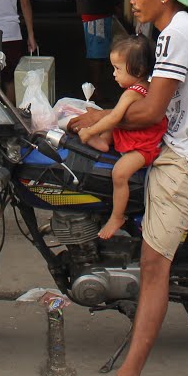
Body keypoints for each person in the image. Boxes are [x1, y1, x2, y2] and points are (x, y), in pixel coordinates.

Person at [69, 0, 188, 376]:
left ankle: (130, 372)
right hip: (183, 141)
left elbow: (151, 112)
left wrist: (99, 119)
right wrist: (103, 116)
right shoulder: (171, 30)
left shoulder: (177, 33)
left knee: (153, 264)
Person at [76, 33, 166, 240]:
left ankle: (117, 216)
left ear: (139, 70)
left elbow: (115, 117)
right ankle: (103, 142)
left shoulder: (132, 92)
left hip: (143, 147)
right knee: (113, 124)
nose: (114, 74)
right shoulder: (146, 86)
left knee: (119, 174)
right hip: (134, 136)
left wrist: (90, 129)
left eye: (117, 68)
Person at [74, 0, 121, 102]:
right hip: (97, 12)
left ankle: (94, 87)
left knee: (96, 52)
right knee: (97, 53)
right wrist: (114, 0)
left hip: (92, 11)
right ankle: (95, 89)